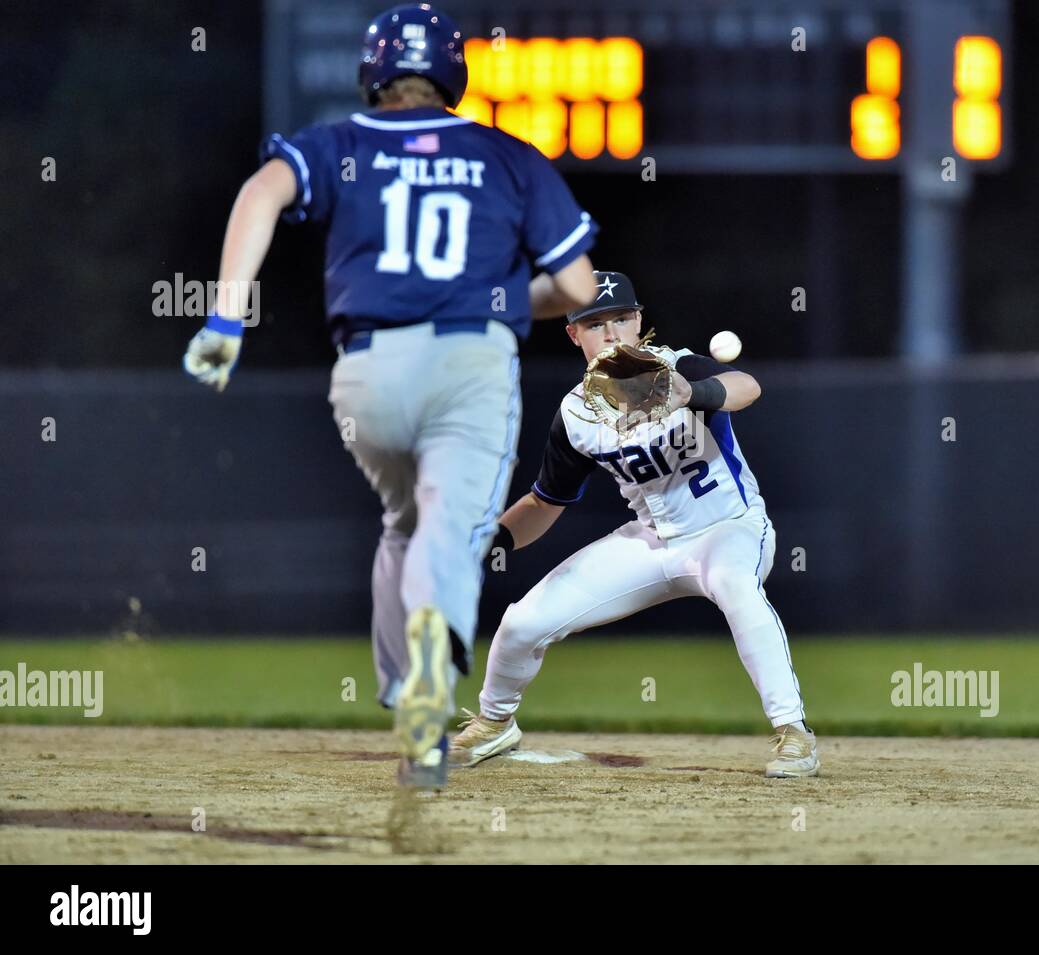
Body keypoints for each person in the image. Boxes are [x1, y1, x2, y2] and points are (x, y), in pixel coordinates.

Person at [182, 4, 598, 789]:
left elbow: (261, 194)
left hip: (365, 376)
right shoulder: (506, 154)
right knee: (453, 525)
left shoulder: (339, 144)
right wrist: (509, 295)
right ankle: (428, 681)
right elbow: (577, 285)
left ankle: (405, 686)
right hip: (470, 363)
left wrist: (226, 317)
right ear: (453, 72)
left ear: (373, 73)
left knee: (404, 521)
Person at [451, 271, 819, 777]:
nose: (612, 333)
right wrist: (485, 542)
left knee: (737, 586)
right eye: (595, 323)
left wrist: (690, 391)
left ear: (639, 320)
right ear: (573, 334)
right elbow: (545, 503)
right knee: (520, 621)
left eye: (622, 318)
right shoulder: (577, 413)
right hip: (650, 541)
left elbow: (746, 386)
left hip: (730, 529)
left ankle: (793, 732)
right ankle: (495, 723)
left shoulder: (676, 366)